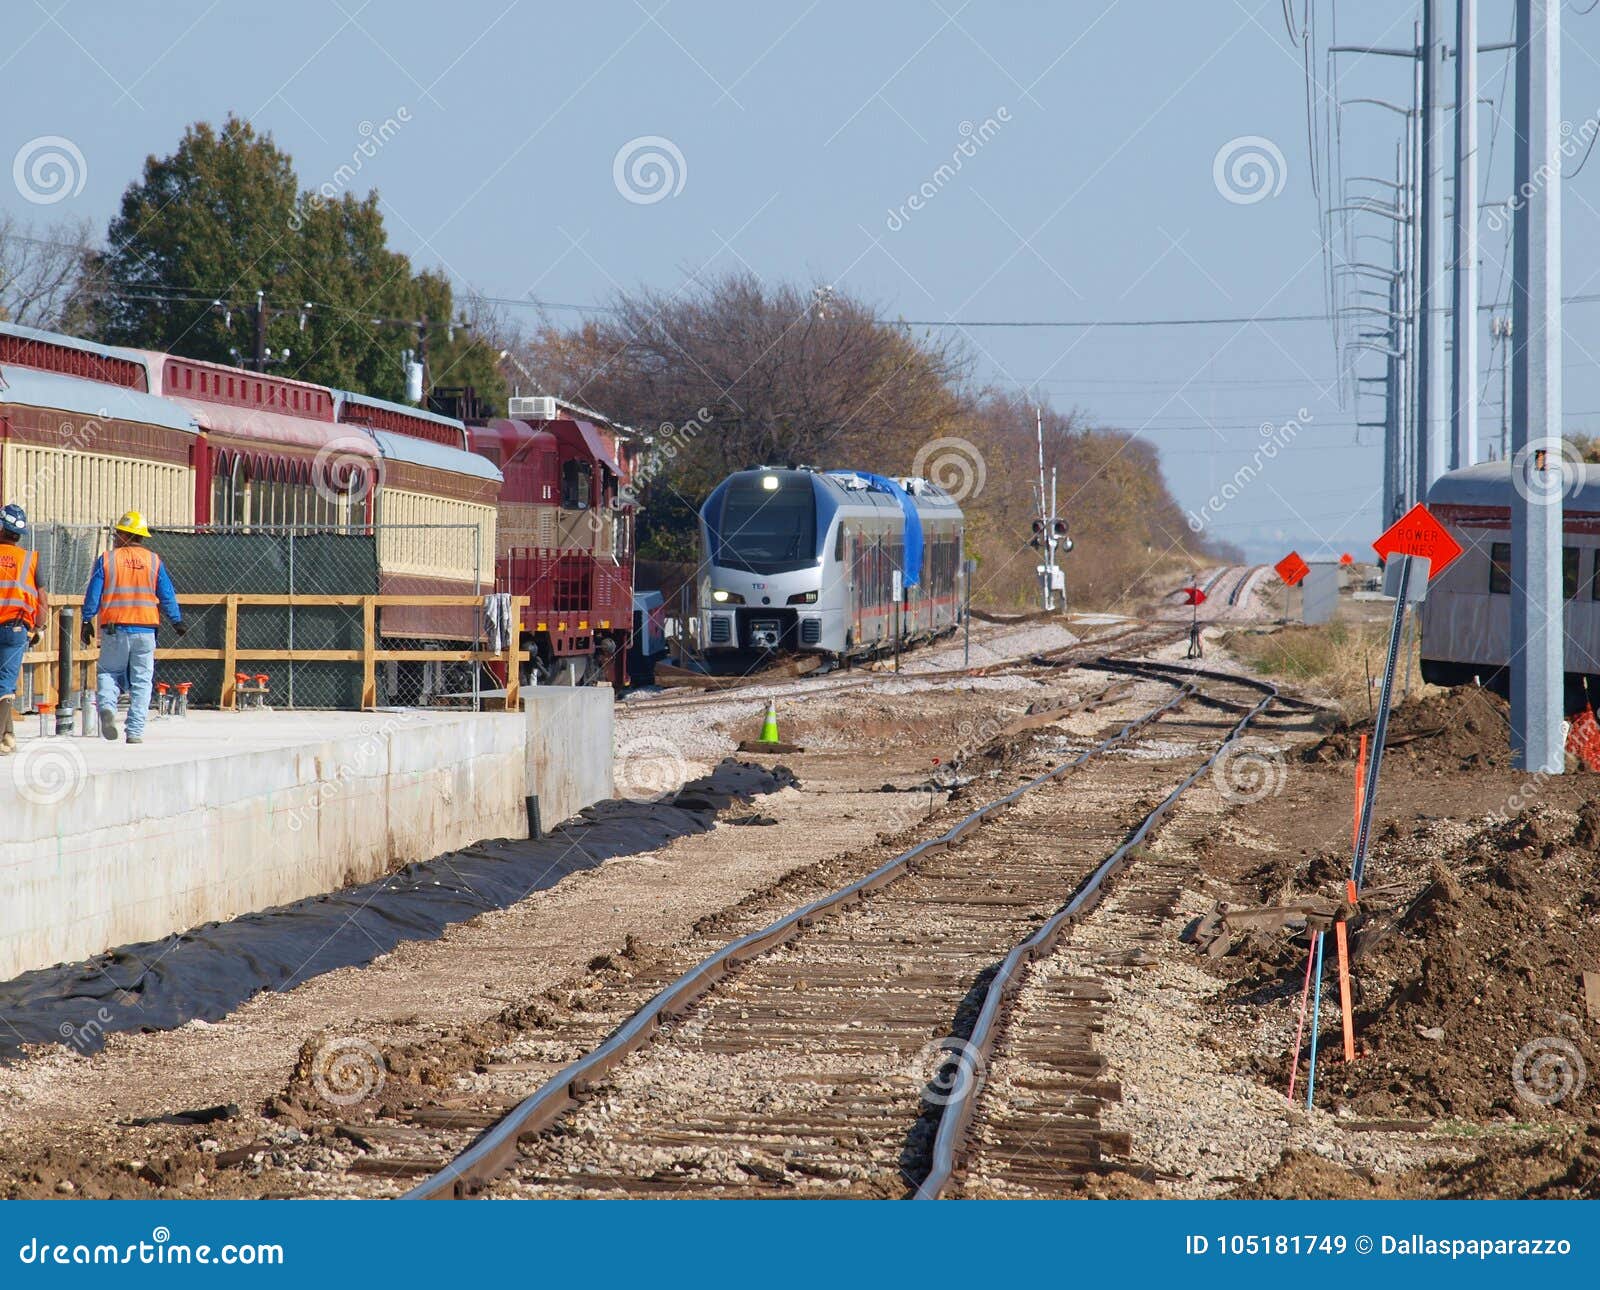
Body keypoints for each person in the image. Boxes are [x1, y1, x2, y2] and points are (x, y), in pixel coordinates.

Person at [80, 511, 185, 745]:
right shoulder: (154, 561)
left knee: (108, 672)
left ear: (127, 535)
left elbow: (94, 593)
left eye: (119, 532)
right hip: (146, 630)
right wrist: (176, 620)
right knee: (142, 680)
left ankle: (107, 708)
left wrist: (87, 620)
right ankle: (135, 731)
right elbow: (166, 593)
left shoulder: (107, 559)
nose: (116, 536)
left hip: (115, 629)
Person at [0, 503, 43, 756]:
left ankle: (6, 737)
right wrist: (39, 626)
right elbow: (43, 597)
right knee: (5, 683)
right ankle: (6, 738)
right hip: (16, 628)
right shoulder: (30, 559)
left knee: (3, 684)